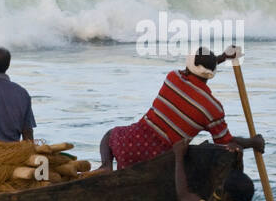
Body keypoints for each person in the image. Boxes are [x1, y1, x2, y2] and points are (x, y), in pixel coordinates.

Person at [99, 47, 262, 170]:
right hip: (161, 159)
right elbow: (226, 143)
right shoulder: (213, 108)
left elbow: (191, 70)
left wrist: (223, 57)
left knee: (110, 135)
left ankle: (106, 166)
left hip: (129, 145)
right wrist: (254, 142)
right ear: (212, 72)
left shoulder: (173, 78)